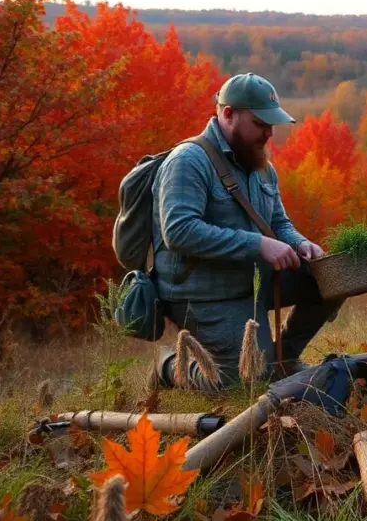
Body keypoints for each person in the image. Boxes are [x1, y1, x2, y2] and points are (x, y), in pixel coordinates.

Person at [147, 72, 344, 392]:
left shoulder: (260, 165)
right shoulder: (188, 161)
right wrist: (258, 245)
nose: (269, 133)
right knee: (243, 382)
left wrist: (300, 243)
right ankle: (168, 365)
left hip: (252, 280)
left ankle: (283, 359)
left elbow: (278, 223)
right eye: (260, 123)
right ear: (228, 114)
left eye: (271, 124)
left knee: (335, 276)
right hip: (203, 292)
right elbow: (179, 231)